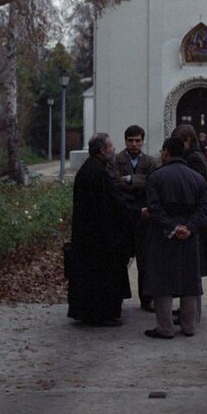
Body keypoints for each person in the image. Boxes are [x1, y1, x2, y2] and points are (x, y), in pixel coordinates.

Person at [67, 132, 141, 327]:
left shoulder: (92, 169)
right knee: (102, 277)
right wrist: (136, 213)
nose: (113, 150)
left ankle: (93, 313)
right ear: (101, 150)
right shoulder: (97, 172)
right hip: (99, 238)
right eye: (110, 147)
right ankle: (101, 314)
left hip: (91, 234)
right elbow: (111, 203)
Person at [143, 136, 207, 338]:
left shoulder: (156, 177)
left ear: (165, 151)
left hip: (163, 235)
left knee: (162, 280)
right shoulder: (197, 178)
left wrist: (173, 227)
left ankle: (165, 328)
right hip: (189, 236)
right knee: (189, 279)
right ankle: (188, 325)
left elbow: (154, 208)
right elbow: (205, 209)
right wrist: (188, 227)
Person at [115, 125, 158, 311]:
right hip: (124, 215)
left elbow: (152, 180)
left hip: (143, 216)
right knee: (120, 258)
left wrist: (130, 180)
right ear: (125, 141)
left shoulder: (150, 161)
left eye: (137, 140)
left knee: (145, 261)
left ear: (143, 141)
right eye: (130, 140)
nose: (134, 144)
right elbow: (114, 181)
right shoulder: (116, 160)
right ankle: (117, 296)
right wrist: (138, 180)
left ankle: (146, 299)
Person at [171, 123, 207, 277]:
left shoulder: (194, 159)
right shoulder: (193, 156)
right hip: (197, 217)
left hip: (196, 218)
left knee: (193, 270)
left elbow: (194, 189)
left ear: (188, 140)